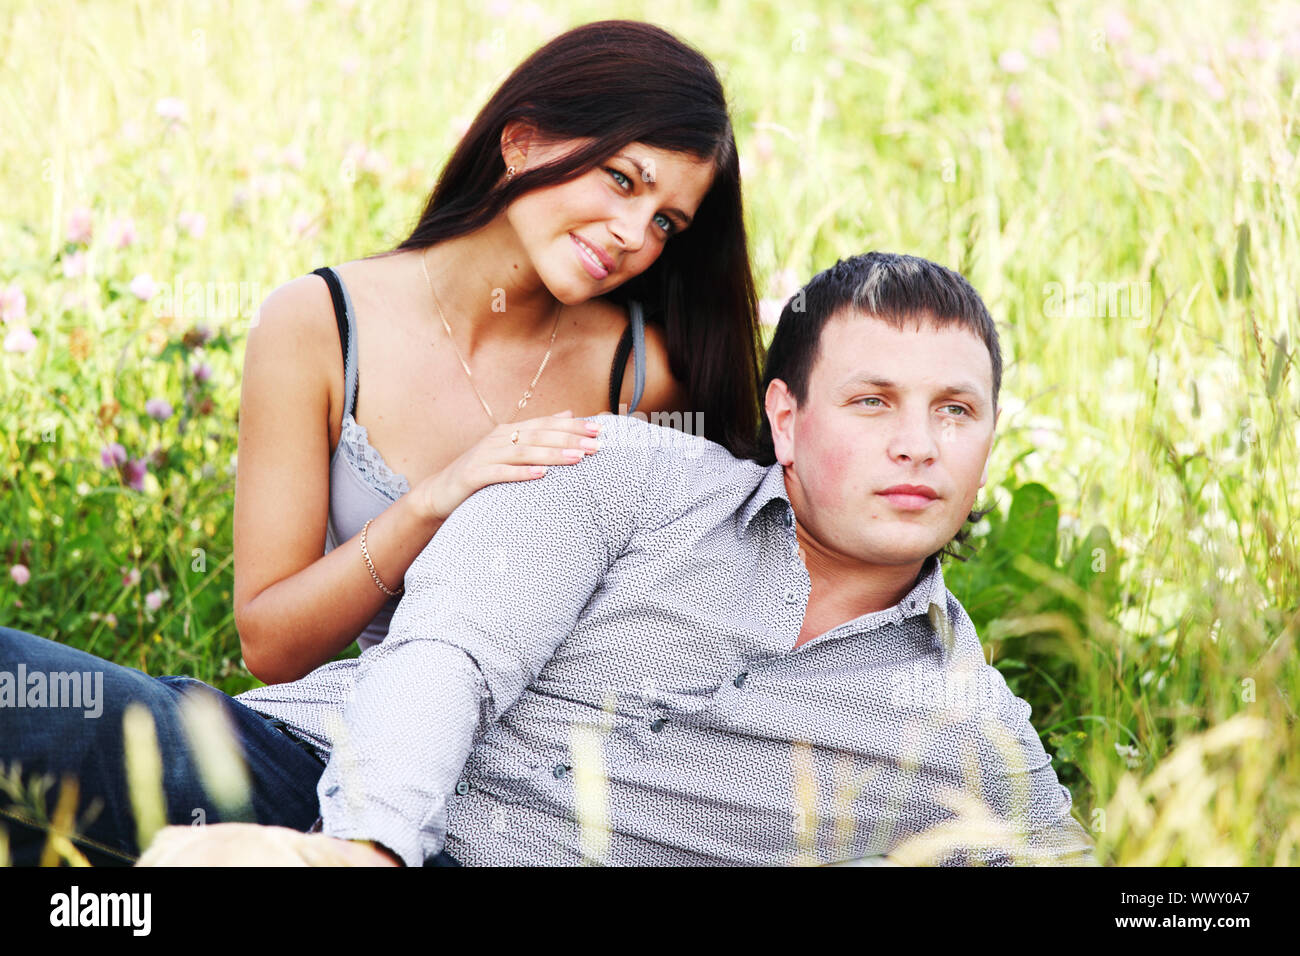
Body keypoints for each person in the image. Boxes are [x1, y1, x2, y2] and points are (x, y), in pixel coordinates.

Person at [0, 19, 762, 866]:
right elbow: (273, 644)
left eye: (666, 223)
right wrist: (436, 501)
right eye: (622, 180)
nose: (633, 232)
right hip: (328, 745)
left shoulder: (645, 376)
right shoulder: (320, 325)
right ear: (521, 141)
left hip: (527, 799)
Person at [140, 252, 1098, 866]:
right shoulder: (625, 472)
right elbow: (448, 652)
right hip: (305, 772)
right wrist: (359, 853)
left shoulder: (966, 728)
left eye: (956, 412)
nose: (919, 445)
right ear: (786, 421)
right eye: (873, 401)